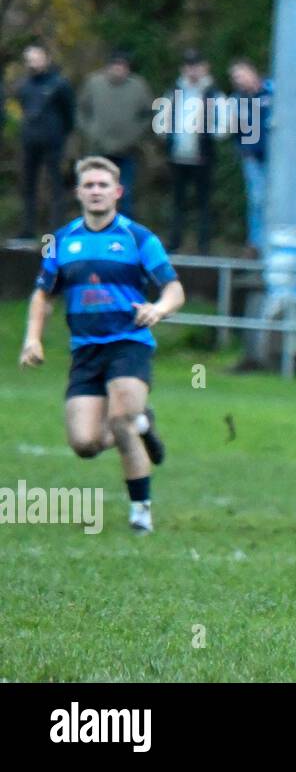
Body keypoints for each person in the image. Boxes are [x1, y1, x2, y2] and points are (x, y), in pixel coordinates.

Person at [19, 156, 184, 533]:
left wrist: (158, 309)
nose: (96, 191)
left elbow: (174, 289)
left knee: (120, 420)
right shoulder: (60, 241)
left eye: (103, 185)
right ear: (79, 193)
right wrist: (32, 339)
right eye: (89, 185)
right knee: (85, 443)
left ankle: (140, 511)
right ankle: (144, 422)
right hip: (86, 349)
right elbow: (42, 295)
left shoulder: (139, 238)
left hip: (129, 343)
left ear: (117, 192)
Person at [158, 50, 226, 253]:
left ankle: (203, 246)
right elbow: (161, 119)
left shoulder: (214, 93)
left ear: (205, 68)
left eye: (197, 65)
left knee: (203, 204)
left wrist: (207, 133)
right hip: (178, 156)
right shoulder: (174, 91)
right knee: (177, 202)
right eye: (189, 65)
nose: (193, 70)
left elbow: (223, 126)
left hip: (202, 157)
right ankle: (174, 243)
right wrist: (169, 136)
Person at [77, 51, 154, 218]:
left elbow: (149, 115)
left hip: (128, 150)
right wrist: (91, 131)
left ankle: (124, 235)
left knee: (125, 195)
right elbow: (80, 111)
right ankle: (96, 232)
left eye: (123, 66)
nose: (118, 69)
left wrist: (136, 134)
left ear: (128, 68)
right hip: (99, 150)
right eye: (115, 65)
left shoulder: (138, 86)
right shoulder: (93, 83)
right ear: (108, 66)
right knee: (96, 194)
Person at [16, 43, 76, 241]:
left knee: (56, 186)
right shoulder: (24, 85)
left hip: (53, 142)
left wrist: (61, 134)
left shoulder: (60, 84)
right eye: (29, 60)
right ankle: (28, 228)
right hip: (29, 142)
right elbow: (24, 109)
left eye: (36, 58)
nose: (33, 63)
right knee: (28, 185)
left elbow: (69, 115)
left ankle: (57, 230)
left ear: (46, 59)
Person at [227, 59, 274, 256]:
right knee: (256, 199)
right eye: (235, 77)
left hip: (276, 158)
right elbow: (233, 129)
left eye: (241, 74)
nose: (239, 79)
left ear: (252, 72)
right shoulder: (237, 101)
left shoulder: (272, 91)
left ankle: (274, 239)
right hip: (253, 157)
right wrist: (243, 148)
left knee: (277, 199)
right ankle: (256, 242)